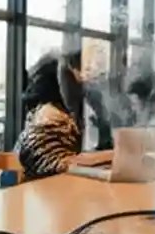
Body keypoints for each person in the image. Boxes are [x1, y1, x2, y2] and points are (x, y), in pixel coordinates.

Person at [14, 51, 108, 179]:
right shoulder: (53, 118)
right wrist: (113, 156)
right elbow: (62, 167)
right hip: (44, 192)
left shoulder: (46, 112)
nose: (82, 80)